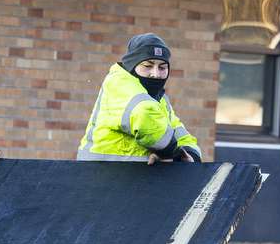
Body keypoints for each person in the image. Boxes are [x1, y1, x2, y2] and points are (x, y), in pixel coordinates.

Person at [77, 33, 202, 164]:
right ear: (132, 65)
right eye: (148, 66)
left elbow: (178, 132)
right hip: (99, 176)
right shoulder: (119, 82)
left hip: (135, 179)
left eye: (162, 67)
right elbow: (143, 113)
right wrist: (167, 153)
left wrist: (189, 154)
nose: (156, 74)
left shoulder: (160, 99)